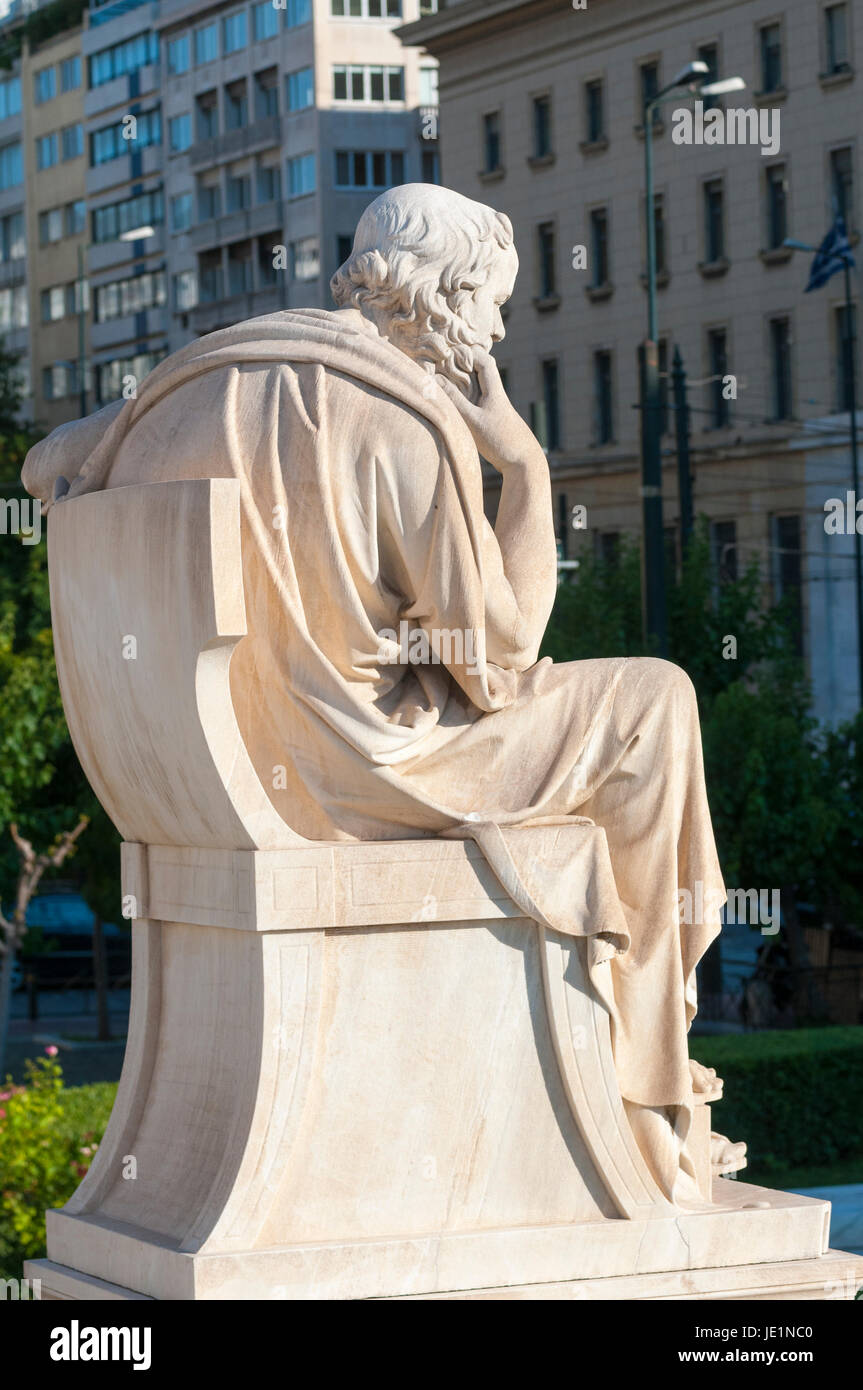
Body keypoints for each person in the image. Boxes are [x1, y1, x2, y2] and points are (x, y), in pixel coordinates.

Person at [23, 183, 736, 1200]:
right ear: (443, 300)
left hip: (222, 788)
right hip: (371, 768)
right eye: (491, 303)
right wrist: (524, 469)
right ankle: (648, 1092)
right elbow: (495, 661)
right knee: (654, 699)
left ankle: (646, 1078)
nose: (494, 330)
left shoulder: (185, 384)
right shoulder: (406, 418)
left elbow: (48, 464)